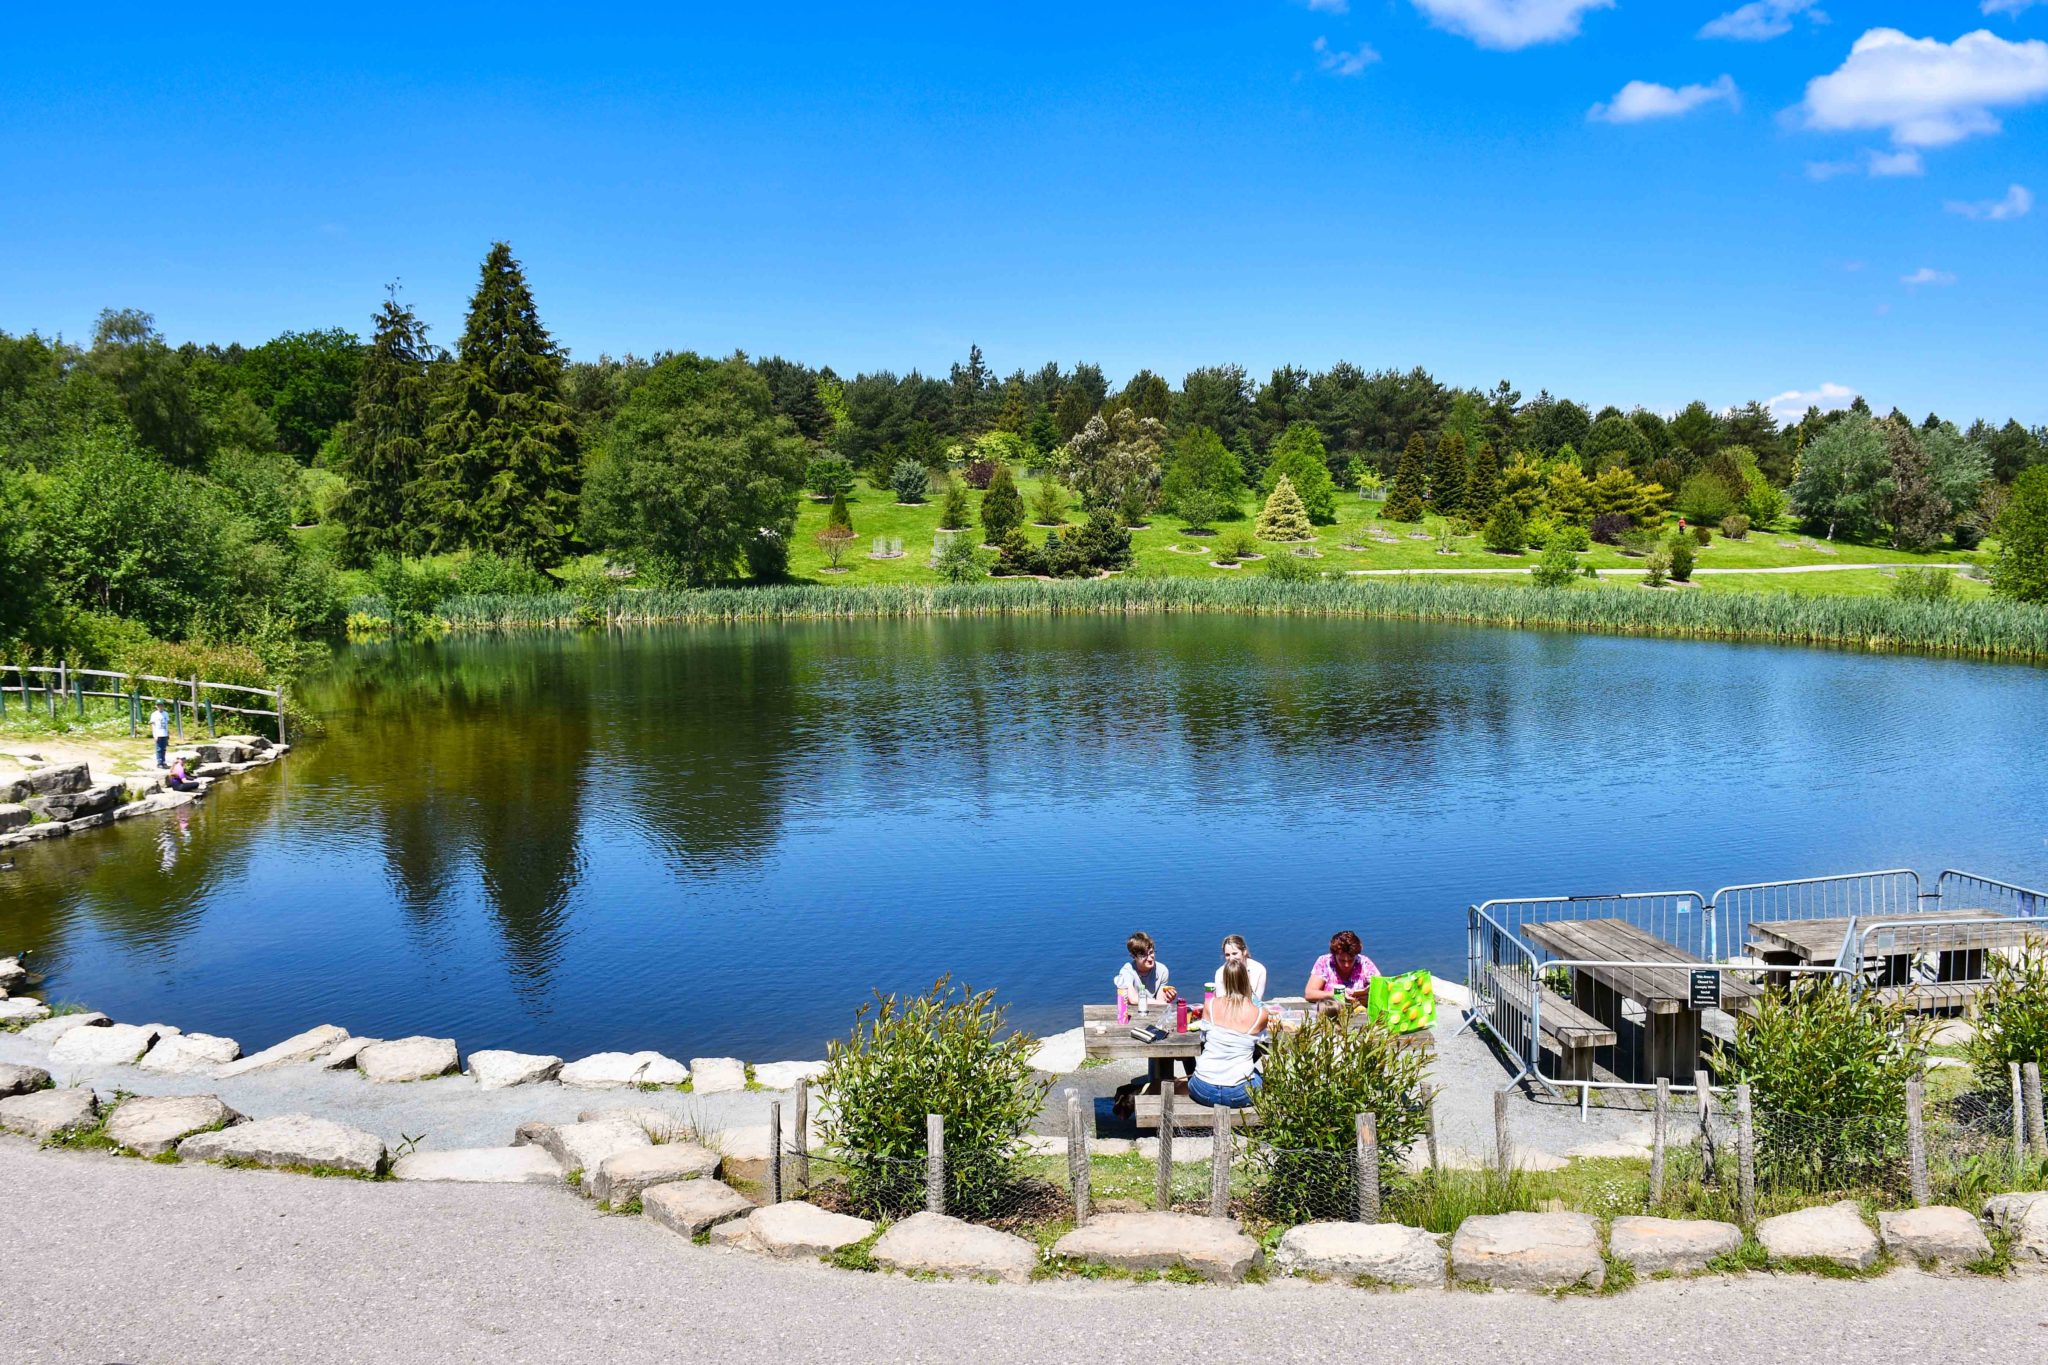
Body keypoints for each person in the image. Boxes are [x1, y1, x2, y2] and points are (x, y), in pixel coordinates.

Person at [1188, 960, 1269, 1109]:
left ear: (1224, 980)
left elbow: (1204, 1038)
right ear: (1246, 979)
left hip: (1202, 1088)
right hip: (1238, 1093)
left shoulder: (1210, 1004)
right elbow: (1262, 1038)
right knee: (1260, 1077)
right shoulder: (1260, 1014)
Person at [1304, 930, 1379, 1004]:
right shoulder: (1324, 962)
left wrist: (1370, 997)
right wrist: (1333, 995)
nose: (1347, 965)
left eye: (1351, 960)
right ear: (1334, 955)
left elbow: (1381, 987)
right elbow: (1309, 994)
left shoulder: (1364, 963)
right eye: (1342, 960)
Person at [1113, 931, 1177, 1010]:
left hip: (1152, 1013)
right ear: (1133, 956)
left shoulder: (1162, 970)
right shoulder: (1127, 971)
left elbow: (1160, 1002)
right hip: (1132, 1013)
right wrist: (1162, 1003)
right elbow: (1133, 999)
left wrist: (1167, 998)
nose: (1150, 958)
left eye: (1151, 953)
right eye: (1143, 955)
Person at [1213, 935, 1268, 1002]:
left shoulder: (1259, 969)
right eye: (1227, 955)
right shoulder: (1220, 973)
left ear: (1244, 951)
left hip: (1251, 1009)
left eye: (1234, 953)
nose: (1231, 958)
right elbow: (1220, 1000)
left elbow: (1258, 999)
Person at [149, 701, 171, 769]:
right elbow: (153, 725)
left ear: (163, 706)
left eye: (161, 705)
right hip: (158, 733)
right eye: (158, 705)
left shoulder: (166, 714)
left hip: (164, 733)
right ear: (156, 706)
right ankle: (159, 762)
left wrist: (167, 733)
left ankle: (163, 761)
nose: (160, 707)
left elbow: (166, 724)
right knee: (159, 749)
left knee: (164, 748)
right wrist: (154, 734)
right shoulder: (154, 714)